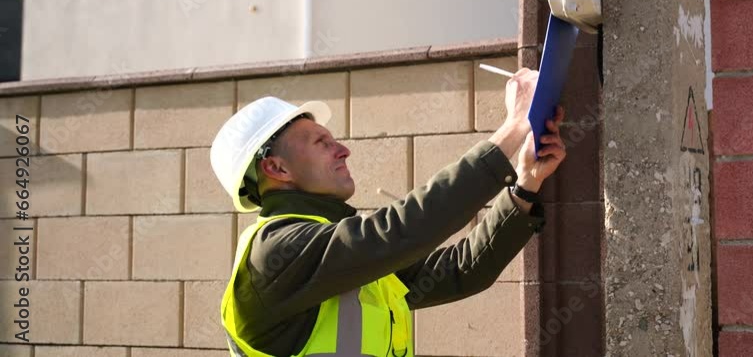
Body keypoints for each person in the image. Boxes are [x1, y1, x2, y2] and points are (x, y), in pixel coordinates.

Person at [209, 68, 567, 356]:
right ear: (278, 169)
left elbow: (461, 271)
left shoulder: (337, 253)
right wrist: (514, 125)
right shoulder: (274, 254)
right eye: (322, 142)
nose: (343, 150)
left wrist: (525, 185)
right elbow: (399, 231)